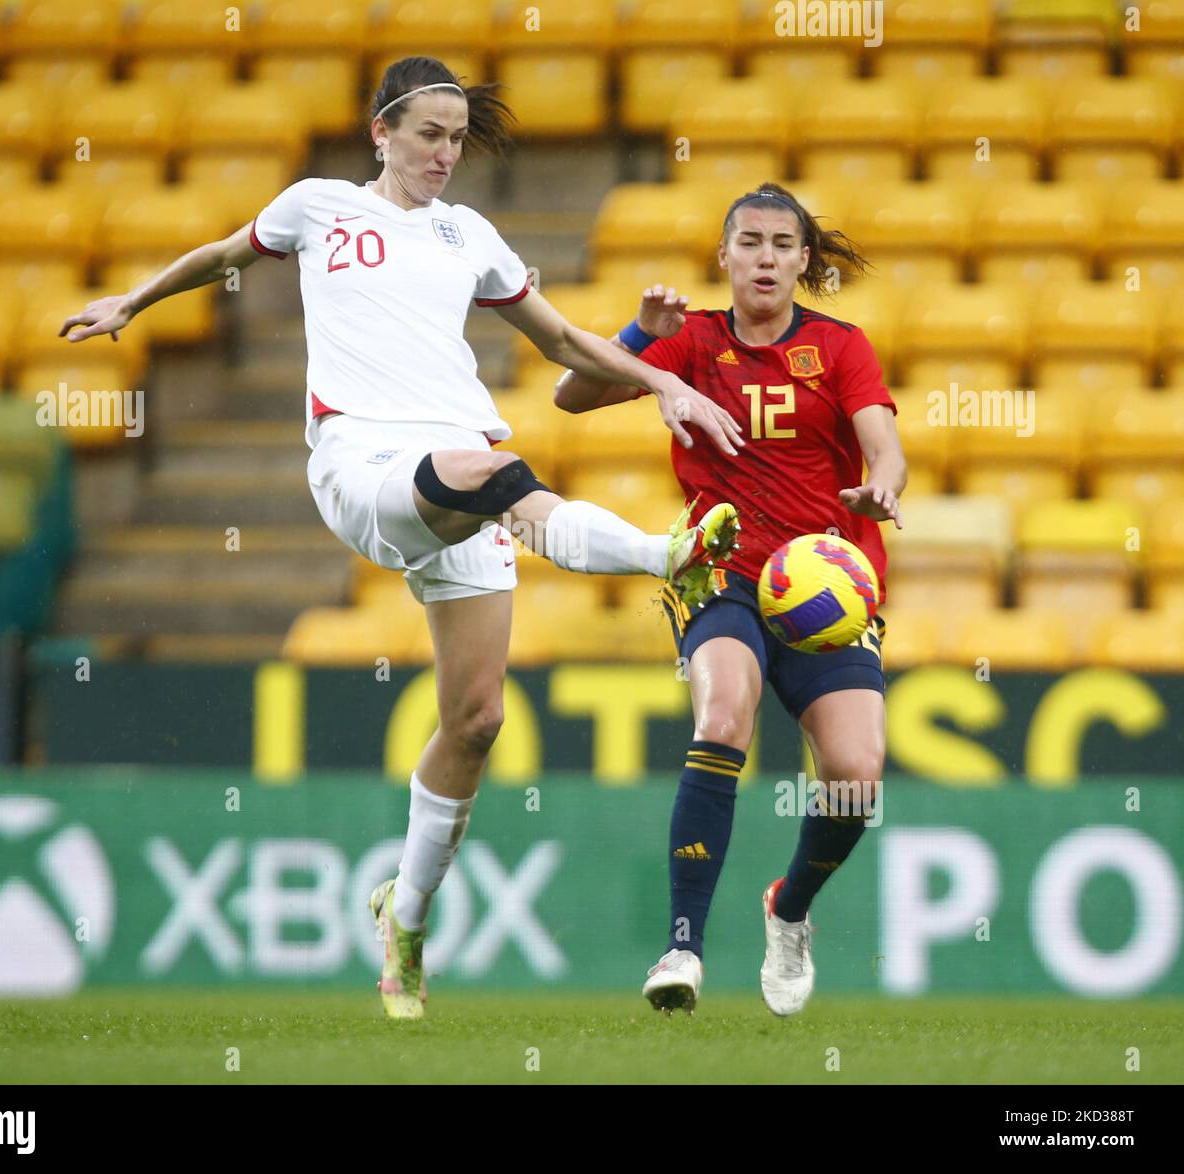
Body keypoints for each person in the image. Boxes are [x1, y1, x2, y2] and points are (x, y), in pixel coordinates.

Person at [60, 56, 746, 1020]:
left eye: (458, 138)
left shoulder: (471, 235)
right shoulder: (318, 207)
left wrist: (664, 380)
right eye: (428, 132)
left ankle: (405, 920)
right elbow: (221, 257)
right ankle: (662, 558)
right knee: (487, 475)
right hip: (361, 465)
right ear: (380, 130)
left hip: (460, 468)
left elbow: (561, 343)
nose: (445, 153)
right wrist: (131, 303)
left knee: (476, 720)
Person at [553, 182, 907, 1017]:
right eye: (749, 242)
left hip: (826, 587)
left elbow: (884, 451)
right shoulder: (691, 340)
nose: (766, 258)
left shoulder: (841, 347)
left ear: (804, 260)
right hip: (723, 572)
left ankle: (788, 912)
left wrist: (879, 493)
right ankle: (682, 946)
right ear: (724, 256)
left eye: (783, 245)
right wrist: (643, 335)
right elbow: (570, 396)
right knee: (722, 718)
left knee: (856, 776)